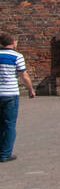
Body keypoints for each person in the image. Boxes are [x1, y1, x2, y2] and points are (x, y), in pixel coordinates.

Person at [0, 31, 35, 162]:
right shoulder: (17, 56)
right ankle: (5, 154)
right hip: (10, 93)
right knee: (9, 124)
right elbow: (24, 75)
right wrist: (30, 89)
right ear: (13, 42)